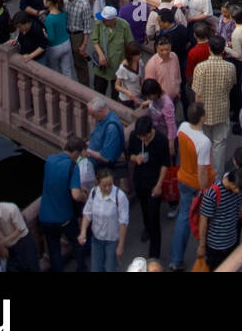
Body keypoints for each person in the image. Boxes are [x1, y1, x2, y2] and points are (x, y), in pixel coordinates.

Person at [168, 102, 213, 271]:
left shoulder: (183, 127)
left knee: (183, 218)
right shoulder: (203, 142)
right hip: (196, 184)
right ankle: (206, 255)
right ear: (202, 118)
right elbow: (202, 172)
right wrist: (204, 191)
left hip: (183, 178)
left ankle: (175, 259)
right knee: (206, 220)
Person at [196, 165, 242, 272]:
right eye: (238, 190)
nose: (239, 193)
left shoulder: (238, 192)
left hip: (232, 242)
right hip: (216, 247)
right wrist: (202, 246)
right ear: (233, 184)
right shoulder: (211, 194)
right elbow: (203, 221)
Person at [38, 135, 88, 273]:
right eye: (80, 155)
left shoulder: (49, 160)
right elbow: (76, 195)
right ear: (76, 153)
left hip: (45, 217)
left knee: (54, 251)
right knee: (77, 242)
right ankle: (82, 268)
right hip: (63, 217)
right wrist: (84, 195)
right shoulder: (73, 166)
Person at [192, 35, 236, 175]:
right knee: (219, 145)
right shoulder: (230, 67)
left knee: (204, 145)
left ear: (209, 49)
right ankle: (217, 179)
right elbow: (231, 85)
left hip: (204, 112)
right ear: (223, 50)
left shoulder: (200, 68)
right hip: (221, 111)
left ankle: (204, 174)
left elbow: (197, 94)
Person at [127, 115, 169, 255]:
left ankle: (154, 253)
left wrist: (159, 185)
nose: (142, 140)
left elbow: (165, 164)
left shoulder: (161, 140)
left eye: (145, 137)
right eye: (140, 137)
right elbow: (129, 154)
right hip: (140, 180)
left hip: (154, 181)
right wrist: (135, 158)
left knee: (154, 215)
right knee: (144, 209)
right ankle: (147, 228)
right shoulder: (135, 137)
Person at [78, 166, 128, 272]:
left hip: (112, 241)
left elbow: (123, 223)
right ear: (98, 183)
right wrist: (83, 233)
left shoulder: (120, 196)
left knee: (110, 269)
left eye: (110, 184)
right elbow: (87, 214)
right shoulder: (94, 193)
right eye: (104, 185)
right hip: (96, 239)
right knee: (96, 269)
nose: (107, 188)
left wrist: (120, 245)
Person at [91, 7, 132, 99]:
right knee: (99, 92)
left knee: (116, 95)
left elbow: (130, 45)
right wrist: (101, 55)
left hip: (117, 67)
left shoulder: (124, 26)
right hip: (101, 68)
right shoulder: (99, 24)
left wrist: (126, 61)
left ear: (112, 20)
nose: (103, 22)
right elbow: (95, 40)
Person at [64, 0, 93, 86]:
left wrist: (84, 44)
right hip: (66, 33)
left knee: (80, 63)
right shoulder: (63, 1)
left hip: (78, 35)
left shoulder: (84, 5)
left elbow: (87, 27)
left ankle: (84, 86)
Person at [86, 98, 126, 171]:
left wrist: (88, 151)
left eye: (93, 115)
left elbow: (106, 157)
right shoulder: (102, 118)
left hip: (100, 168)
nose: (92, 118)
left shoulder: (112, 128)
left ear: (101, 111)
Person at [43, 0, 76, 78]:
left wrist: (45, 35)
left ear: (49, 3)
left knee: (54, 72)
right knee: (67, 70)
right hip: (66, 43)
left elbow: (51, 38)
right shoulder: (62, 13)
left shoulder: (49, 19)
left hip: (54, 47)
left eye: (44, 0)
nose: (43, 1)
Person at [143, 34, 181, 105]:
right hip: (160, 101)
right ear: (156, 48)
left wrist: (178, 90)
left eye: (167, 49)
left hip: (175, 97)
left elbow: (178, 75)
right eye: (161, 50)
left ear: (171, 47)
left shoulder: (174, 56)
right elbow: (149, 87)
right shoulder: (151, 64)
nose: (165, 52)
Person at [140, 77, 177, 149]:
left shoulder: (167, 104)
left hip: (166, 136)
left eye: (149, 96)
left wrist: (171, 144)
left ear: (155, 93)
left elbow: (171, 125)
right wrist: (148, 102)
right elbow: (151, 102)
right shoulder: (154, 98)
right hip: (157, 131)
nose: (148, 98)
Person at [115, 41, 145, 107]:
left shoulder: (140, 62)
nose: (140, 55)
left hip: (138, 95)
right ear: (131, 55)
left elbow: (141, 78)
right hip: (126, 99)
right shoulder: (123, 68)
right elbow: (117, 86)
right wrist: (127, 92)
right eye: (137, 54)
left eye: (140, 53)